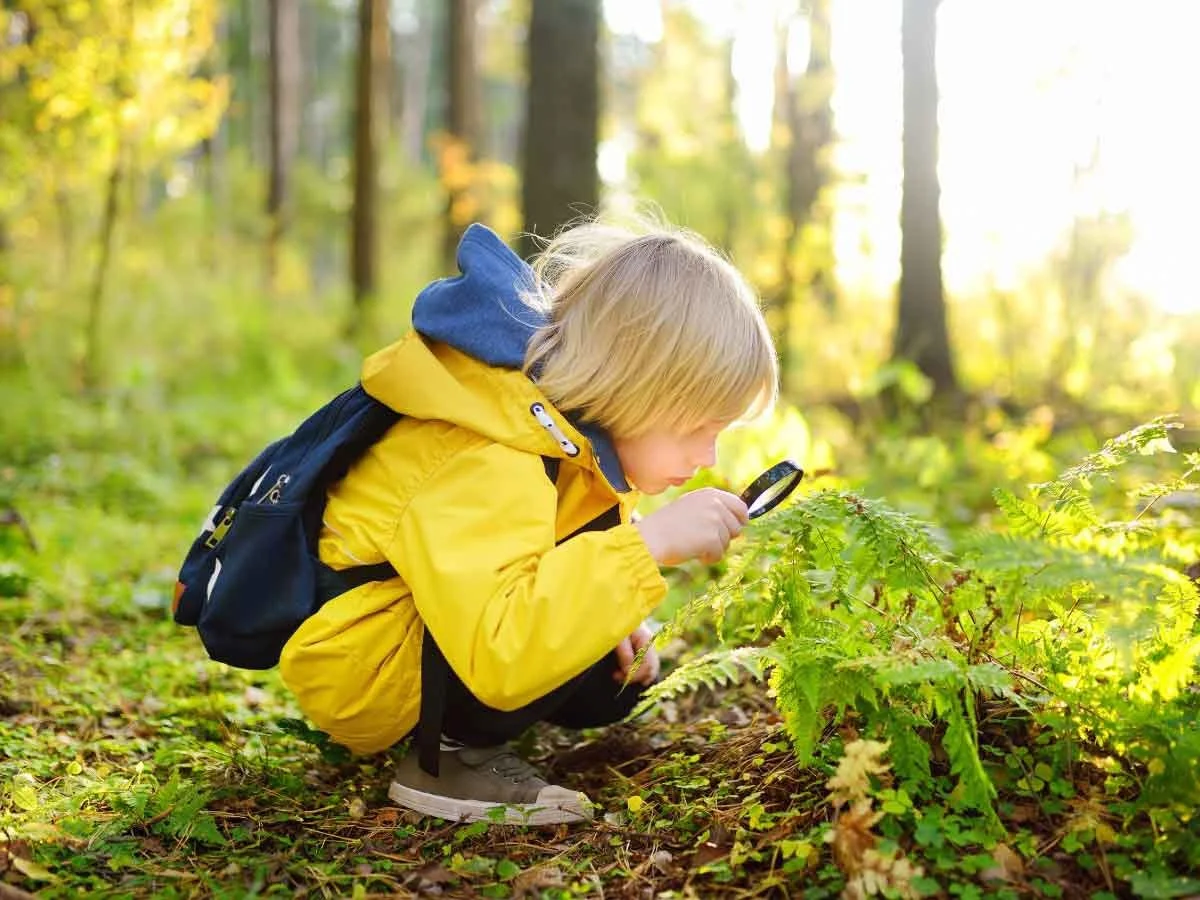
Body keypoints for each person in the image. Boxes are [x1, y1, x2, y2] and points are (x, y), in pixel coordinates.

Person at [278, 216, 778, 825]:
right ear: (633, 389)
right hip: (365, 665)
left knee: (609, 679)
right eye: (697, 428)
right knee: (563, 636)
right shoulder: (491, 451)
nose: (709, 458)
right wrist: (645, 547)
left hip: (449, 627)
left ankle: (466, 732)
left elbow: (547, 558)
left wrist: (614, 612)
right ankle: (446, 762)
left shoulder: (572, 443)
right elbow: (501, 642)